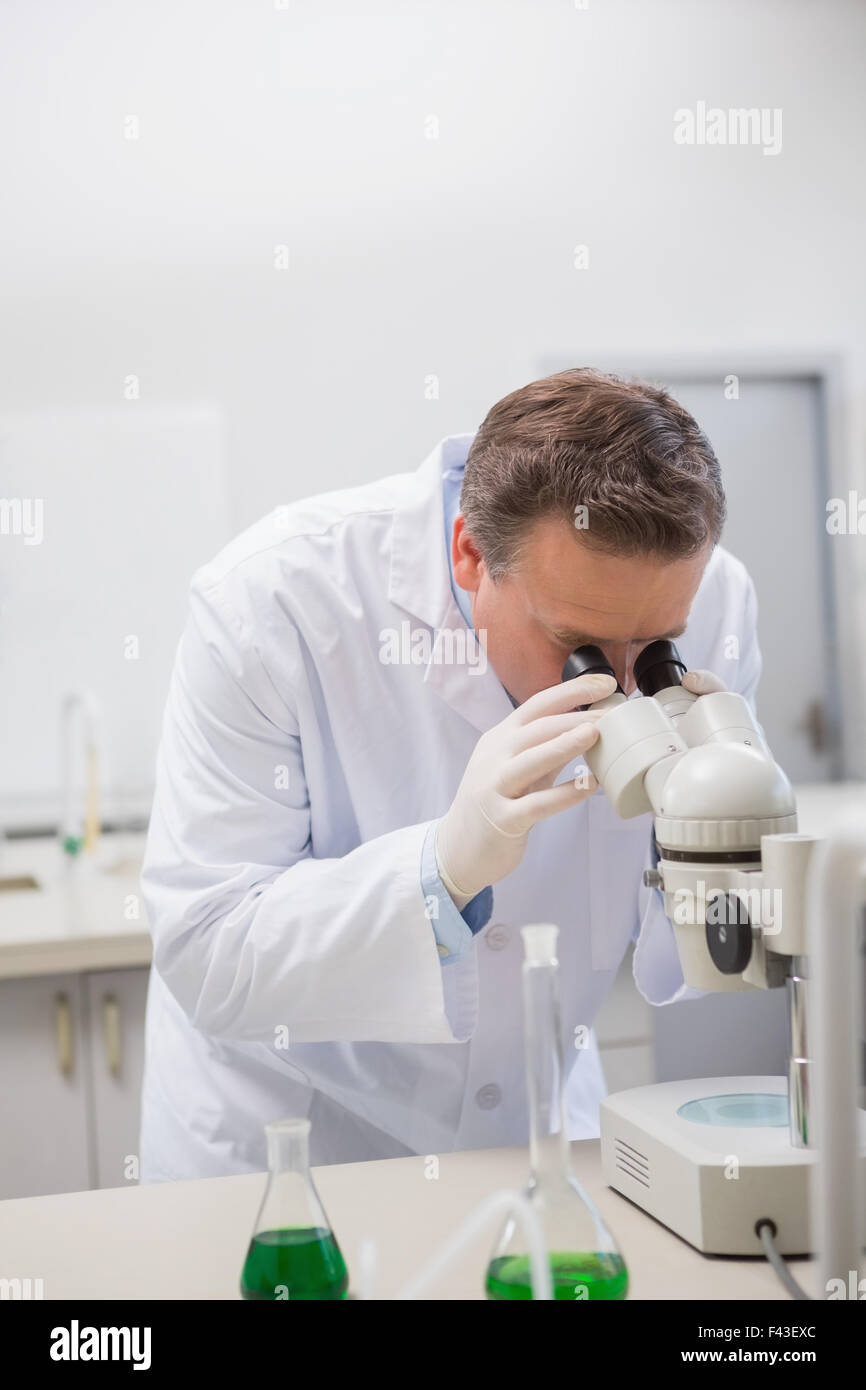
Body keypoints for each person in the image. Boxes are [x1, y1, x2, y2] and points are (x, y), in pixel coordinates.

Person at [138, 367, 760, 1181]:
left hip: (537, 1126)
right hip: (293, 1147)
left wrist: (722, 847)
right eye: (576, 643)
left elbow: (716, 948)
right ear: (470, 553)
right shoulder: (272, 602)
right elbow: (208, 947)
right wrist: (441, 871)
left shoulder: (714, 599)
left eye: (653, 651)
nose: (615, 685)